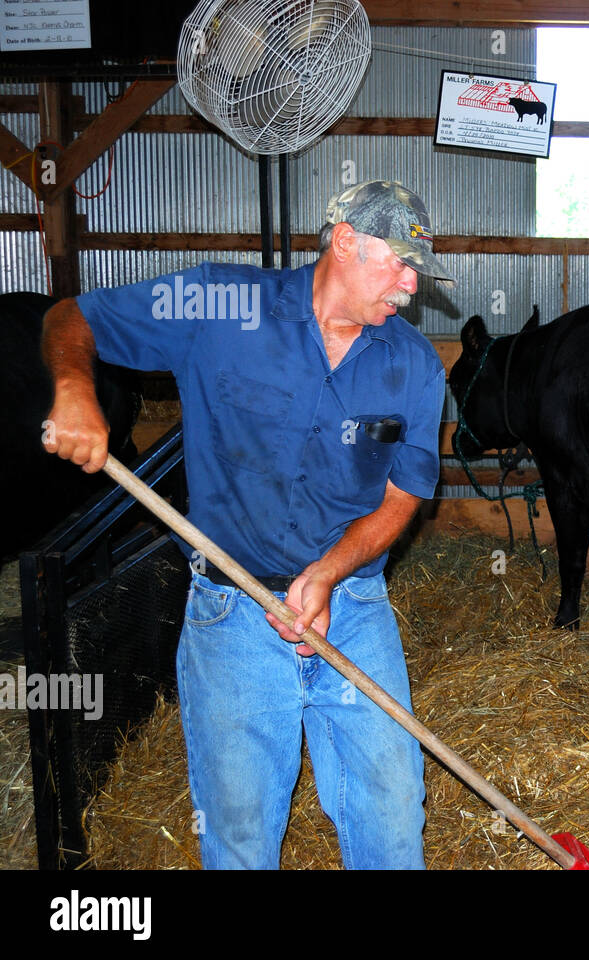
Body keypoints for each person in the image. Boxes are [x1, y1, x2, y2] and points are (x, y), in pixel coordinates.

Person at [40, 179, 451, 869]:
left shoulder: (412, 364)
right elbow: (69, 318)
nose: (411, 284)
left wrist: (329, 572)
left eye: (418, 269)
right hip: (233, 612)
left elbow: (405, 493)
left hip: (352, 606)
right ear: (345, 240)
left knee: (392, 810)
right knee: (239, 829)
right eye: (401, 262)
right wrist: (76, 389)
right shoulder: (220, 304)